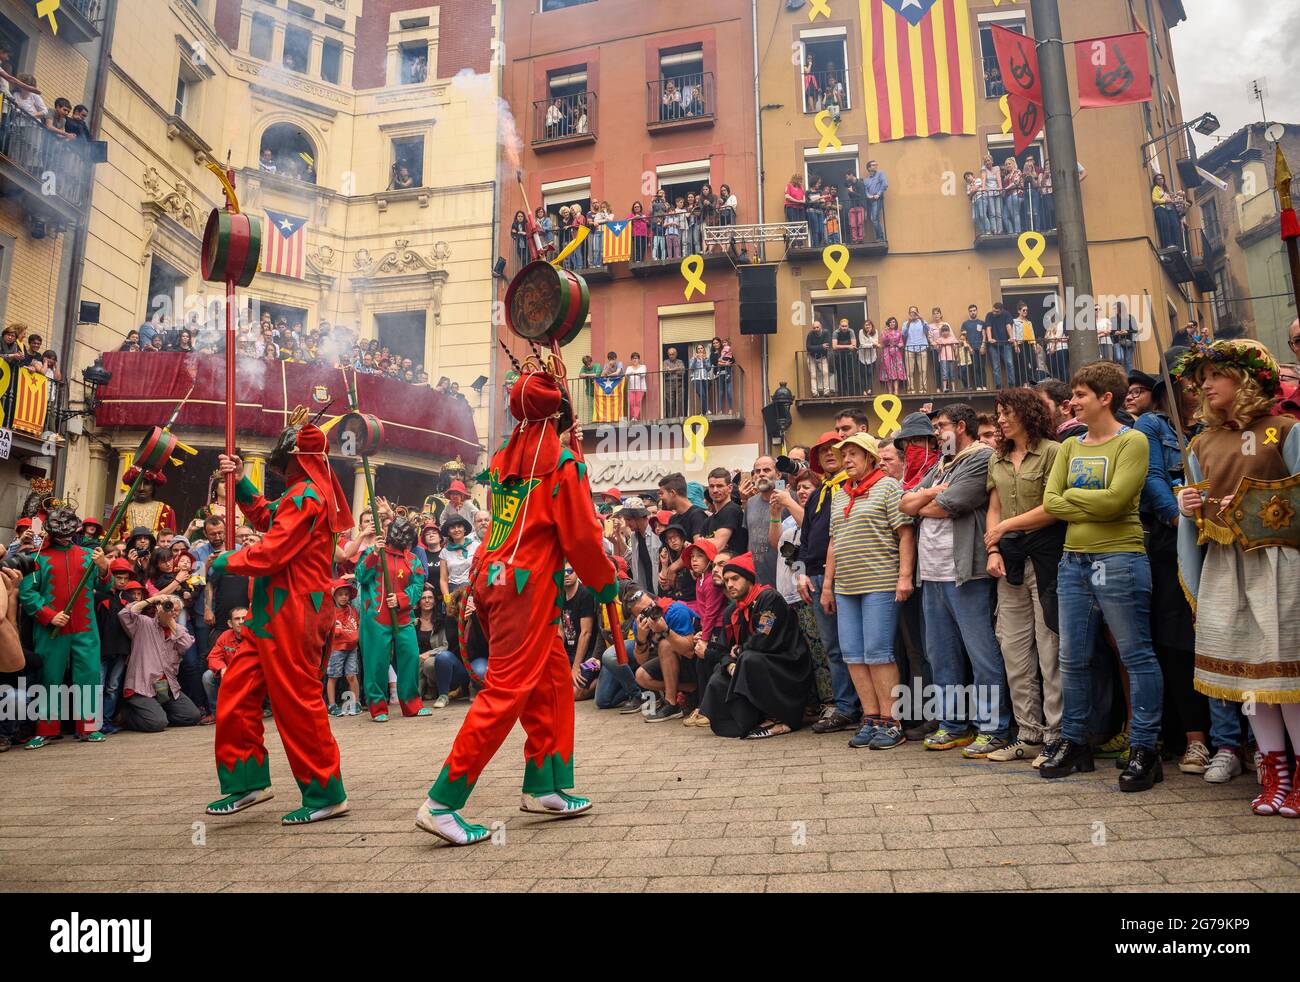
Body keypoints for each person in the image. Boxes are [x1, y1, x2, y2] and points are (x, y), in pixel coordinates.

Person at [417, 363, 619, 846]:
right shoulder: (563, 465)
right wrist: (606, 583)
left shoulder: (510, 454)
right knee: (505, 692)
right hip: (526, 592)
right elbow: (584, 538)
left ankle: (544, 786)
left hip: (498, 579)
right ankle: (442, 802)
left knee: (551, 682)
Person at [205, 407, 355, 825]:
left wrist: (226, 560)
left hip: (294, 614)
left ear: (298, 459)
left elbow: (271, 552)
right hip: (266, 615)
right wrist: (239, 480)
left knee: (296, 703)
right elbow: (267, 516)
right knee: (235, 691)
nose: (281, 464)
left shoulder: (308, 496)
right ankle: (247, 781)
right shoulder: (299, 495)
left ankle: (326, 793)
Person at [1176, 340, 1300, 815]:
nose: (1204, 385)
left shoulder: (1285, 431)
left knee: (1285, 674)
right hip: (1227, 567)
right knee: (1248, 677)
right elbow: (1198, 503)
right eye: (1202, 377)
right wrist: (1189, 505)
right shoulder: (1200, 443)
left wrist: (1258, 506)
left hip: (1279, 565)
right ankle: (1273, 772)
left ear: (1246, 381)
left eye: (1216, 375)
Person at [1041, 361, 1164, 791]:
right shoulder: (1071, 446)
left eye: (1079, 396)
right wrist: (1085, 498)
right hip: (1073, 560)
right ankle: (1074, 743)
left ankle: (1146, 749)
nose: (1071, 403)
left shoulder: (1133, 441)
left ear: (1104, 398)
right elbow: (1050, 502)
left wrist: (1074, 497)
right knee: (1072, 658)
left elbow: (1117, 504)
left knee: (1136, 654)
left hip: (1120, 557)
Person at [900, 404, 1009, 755]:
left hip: (966, 571)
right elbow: (904, 504)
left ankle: (994, 727)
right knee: (940, 655)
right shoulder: (939, 465)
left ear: (961, 426)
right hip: (931, 575)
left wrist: (926, 499)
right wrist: (929, 494)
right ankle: (953, 725)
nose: (935, 434)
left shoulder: (981, 458)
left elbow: (952, 504)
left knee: (981, 654)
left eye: (941, 426)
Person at [984, 389, 1063, 764]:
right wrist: (993, 549)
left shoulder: (1053, 451)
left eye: (1007, 412)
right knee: (1014, 650)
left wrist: (1003, 530)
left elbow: (1053, 507)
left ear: (1028, 413)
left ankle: (1057, 736)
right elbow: (994, 507)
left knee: (1050, 649)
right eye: (998, 413)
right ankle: (1028, 733)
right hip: (1008, 559)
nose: (1000, 420)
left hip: (1047, 555)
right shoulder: (997, 458)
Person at [823, 433, 914, 750]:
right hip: (846, 587)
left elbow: (905, 534)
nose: (847, 459)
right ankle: (871, 718)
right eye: (843, 454)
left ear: (870, 458)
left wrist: (905, 576)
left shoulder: (888, 486)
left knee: (878, 653)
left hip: (881, 582)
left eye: (853, 454)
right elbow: (833, 542)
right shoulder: (839, 495)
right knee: (852, 654)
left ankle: (893, 723)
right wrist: (827, 586)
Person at [19, 506, 113, 747]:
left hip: (85, 626)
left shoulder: (87, 555)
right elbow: (28, 594)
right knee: (49, 676)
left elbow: (105, 589)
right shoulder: (37, 558)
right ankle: (46, 729)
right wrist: (49, 615)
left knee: (90, 675)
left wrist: (104, 568)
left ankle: (89, 727)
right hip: (52, 629)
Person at [699, 553, 813, 739]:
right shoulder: (732, 611)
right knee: (720, 675)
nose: (729, 584)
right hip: (751, 661)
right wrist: (729, 664)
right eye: (727, 580)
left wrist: (740, 652)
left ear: (749, 579)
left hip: (786, 664)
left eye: (735, 579)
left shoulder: (769, 598)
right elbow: (721, 649)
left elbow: (763, 638)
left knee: (749, 659)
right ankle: (746, 721)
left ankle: (781, 719)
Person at [117, 595, 202, 732]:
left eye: (176, 611)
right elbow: (125, 613)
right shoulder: (144, 623)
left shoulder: (178, 630)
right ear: (158, 609)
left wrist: (170, 621)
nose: (172, 612)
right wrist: (154, 599)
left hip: (165, 688)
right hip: (142, 687)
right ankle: (126, 715)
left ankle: (155, 714)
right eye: (169, 608)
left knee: (192, 716)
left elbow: (186, 645)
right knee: (157, 724)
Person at [627, 587, 702, 723]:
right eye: (645, 612)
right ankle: (688, 688)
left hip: (697, 663)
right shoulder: (638, 625)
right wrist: (641, 640)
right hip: (674, 664)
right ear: (637, 617)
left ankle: (671, 704)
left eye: (652, 605)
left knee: (665, 644)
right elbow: (641, 661)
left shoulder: (675, 611)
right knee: (641, 676)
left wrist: (665, 631)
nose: (652, 611)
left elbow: (690, 651)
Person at [325, 581, 361, 717]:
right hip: (337, 649)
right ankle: (332, 705)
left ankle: (356, 703)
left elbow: (358, 624)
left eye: (346, 594)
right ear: (334, 595)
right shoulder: (331, 611)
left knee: (351, 675)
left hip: (352, 648)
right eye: (340, 594)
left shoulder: (352, 610)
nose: (344, 597)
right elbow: (327, 629)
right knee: (333, 676)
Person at [204, 607, 247, 719]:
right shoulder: (225, 636)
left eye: (244, 618)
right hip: (230, 676)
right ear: (230, 623)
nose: (241, 621)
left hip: (251, 677)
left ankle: (266, 707)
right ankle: (217, 713)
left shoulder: (257, 635)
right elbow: (213, 657)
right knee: (208, 676)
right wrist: (222, 668)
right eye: (237, 619)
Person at [985, 302, 1017, 389]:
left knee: (1009, 363)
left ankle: (1012, 384)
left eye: (996, 311)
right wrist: (990, 338)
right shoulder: (989, 315)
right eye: (993, 311)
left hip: (1006, 344)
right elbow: (988, 327)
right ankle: (998, 385)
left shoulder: (1006, 314)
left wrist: (1011, 338)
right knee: (996, 366)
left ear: (1001, 310)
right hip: (993, 345)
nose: (994, 313)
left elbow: (1008, 326)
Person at [902, 306, 930, 395]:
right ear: (909, 313)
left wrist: (921, 318)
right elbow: (904, 334)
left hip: (922, 347)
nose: (913, 313)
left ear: (918, 313)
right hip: (909, 348)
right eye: (911, 312)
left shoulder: (922, 322)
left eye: (915, 312)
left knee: (923, 370)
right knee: (910, 371)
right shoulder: (906, 323)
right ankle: (910, 389)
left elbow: (927, 329)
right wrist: (909, 322)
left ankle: (923, 389)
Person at [877, 316, 906, 396]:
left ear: (895, 323)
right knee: (888, 371)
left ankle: (896, 390)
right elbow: (883, 342)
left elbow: (901, 343)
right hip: (887, 353)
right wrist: (886, 334)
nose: (892, 323)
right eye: (890, 322)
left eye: (893, 322)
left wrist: (896, 344)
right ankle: (890, 391)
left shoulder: (899, 332)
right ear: (888, 324)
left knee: (896, 371)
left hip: (896, 353)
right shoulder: (884, 332)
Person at [805, 319, 831, 397]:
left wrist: (816, 347)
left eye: (817, 327)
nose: (816, 329)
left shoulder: (826, 333)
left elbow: (826, 346)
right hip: (811, 357)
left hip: (822, 357)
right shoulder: (810, 334)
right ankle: (815, 393)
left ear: (821, 327)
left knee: (825, 373)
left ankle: (826, 391)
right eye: (814, 328)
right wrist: (820, 346)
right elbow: (808, 347)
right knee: (813, 375)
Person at [863, 160, 888, 240]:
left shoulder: (880, 173)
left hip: (877, 199)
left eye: (876, 164)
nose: (876, 165)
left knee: (874, 219)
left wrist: (879, 194)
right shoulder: (866, 180)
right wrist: (868, 196)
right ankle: (879, 236)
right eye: (874, 165)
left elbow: (885, 184)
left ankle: (880, 237)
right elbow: (865, 190)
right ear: (869, 168)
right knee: (873, 218)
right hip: (870, 201)